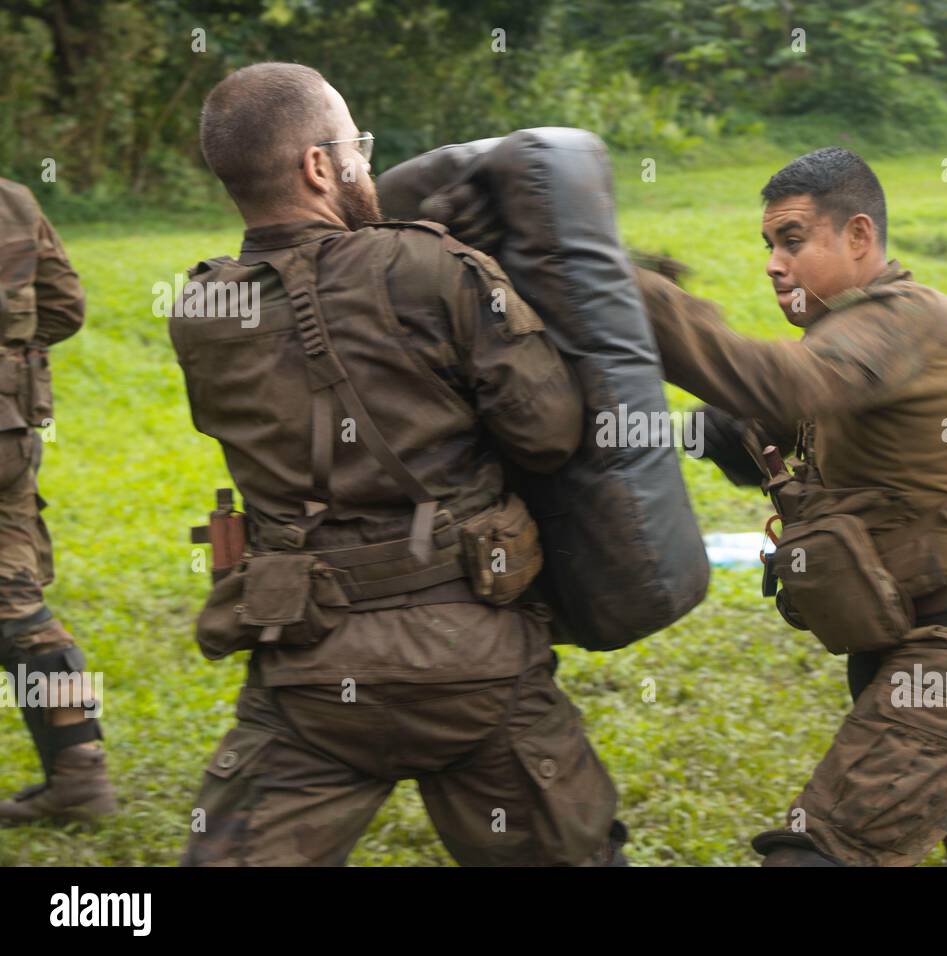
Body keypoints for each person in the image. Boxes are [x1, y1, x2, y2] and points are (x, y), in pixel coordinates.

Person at [173, 62, 623, 866]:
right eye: (358, 147)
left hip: (309, 679)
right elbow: (550, 433)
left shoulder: (202, 310)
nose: (366, 165)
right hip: (475, 667)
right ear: (320, 165)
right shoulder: (432, 269)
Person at [634, 147, 947, 866]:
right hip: (917, 640)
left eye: (792, 240)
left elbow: (778, 387)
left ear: (859, 237)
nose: (774, 265)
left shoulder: (910, 321)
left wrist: (633, 296)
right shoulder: (839, 344)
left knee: (817, 854)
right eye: (769, 246)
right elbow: (733, 431)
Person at [0, 176, 115, 824]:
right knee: (17, 605)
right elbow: (65, 307)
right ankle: (79, 776)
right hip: (7, 432)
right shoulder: (14, 199)